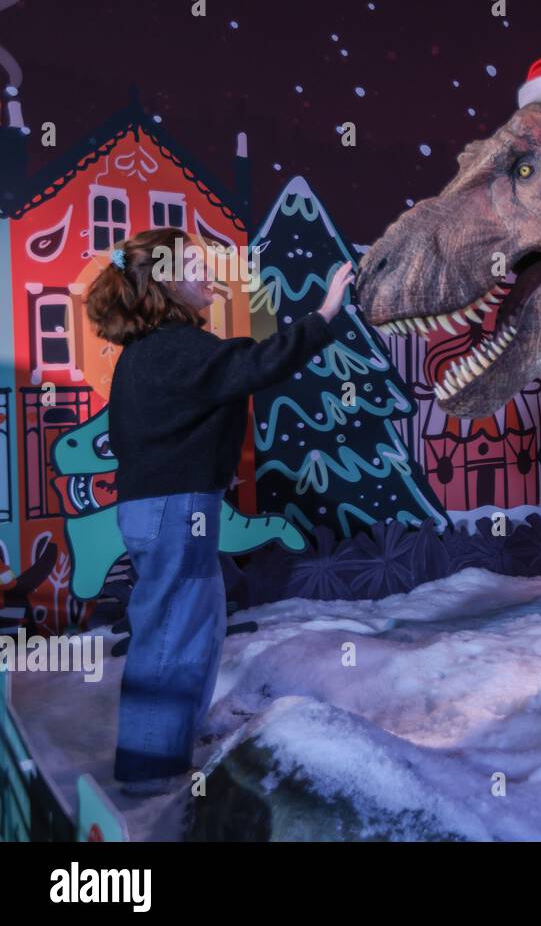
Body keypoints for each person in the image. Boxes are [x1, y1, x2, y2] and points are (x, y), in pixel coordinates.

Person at [85, 227, 353, 796]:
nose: (208, 274)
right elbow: (257, 364)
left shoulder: (152, 352)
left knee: (192, 624)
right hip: (175, 510)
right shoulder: (174, 348)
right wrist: (325, 316)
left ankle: (169, 743)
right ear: (166, 282)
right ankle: (149, 769)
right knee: (173, 634)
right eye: (193, 264)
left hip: (167, 509)